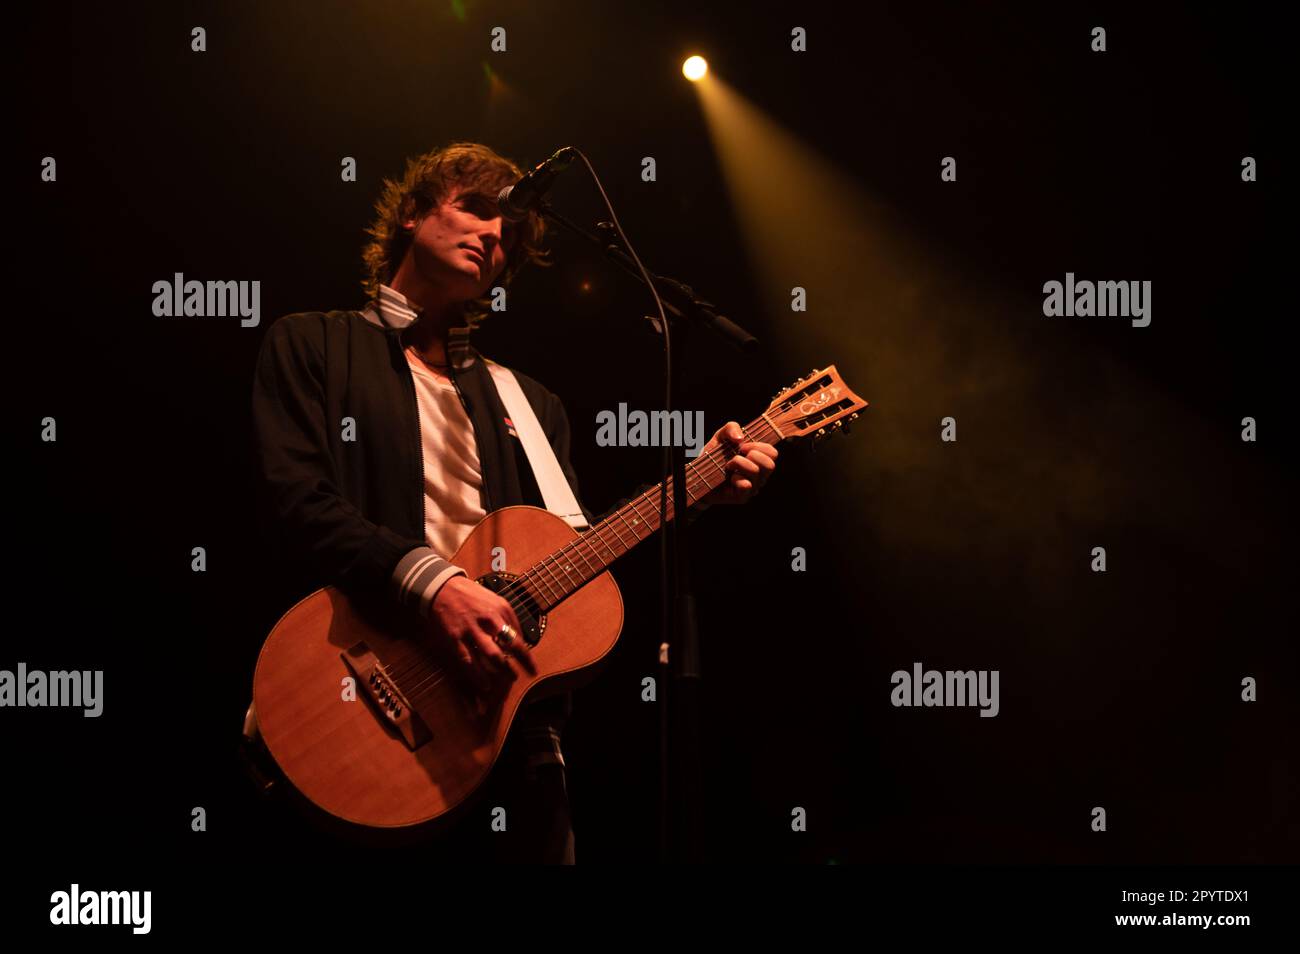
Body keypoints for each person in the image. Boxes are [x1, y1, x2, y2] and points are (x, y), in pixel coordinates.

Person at [248, 141, 778, 862]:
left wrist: (700, 490)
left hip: (511, 743)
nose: (494, 236)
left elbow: (573, 555)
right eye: (475, 209)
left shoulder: (530, 403)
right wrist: (435, 585)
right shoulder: (311, 344)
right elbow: (297, 500)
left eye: (509, 237)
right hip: (356, 698)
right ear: (412, 214)